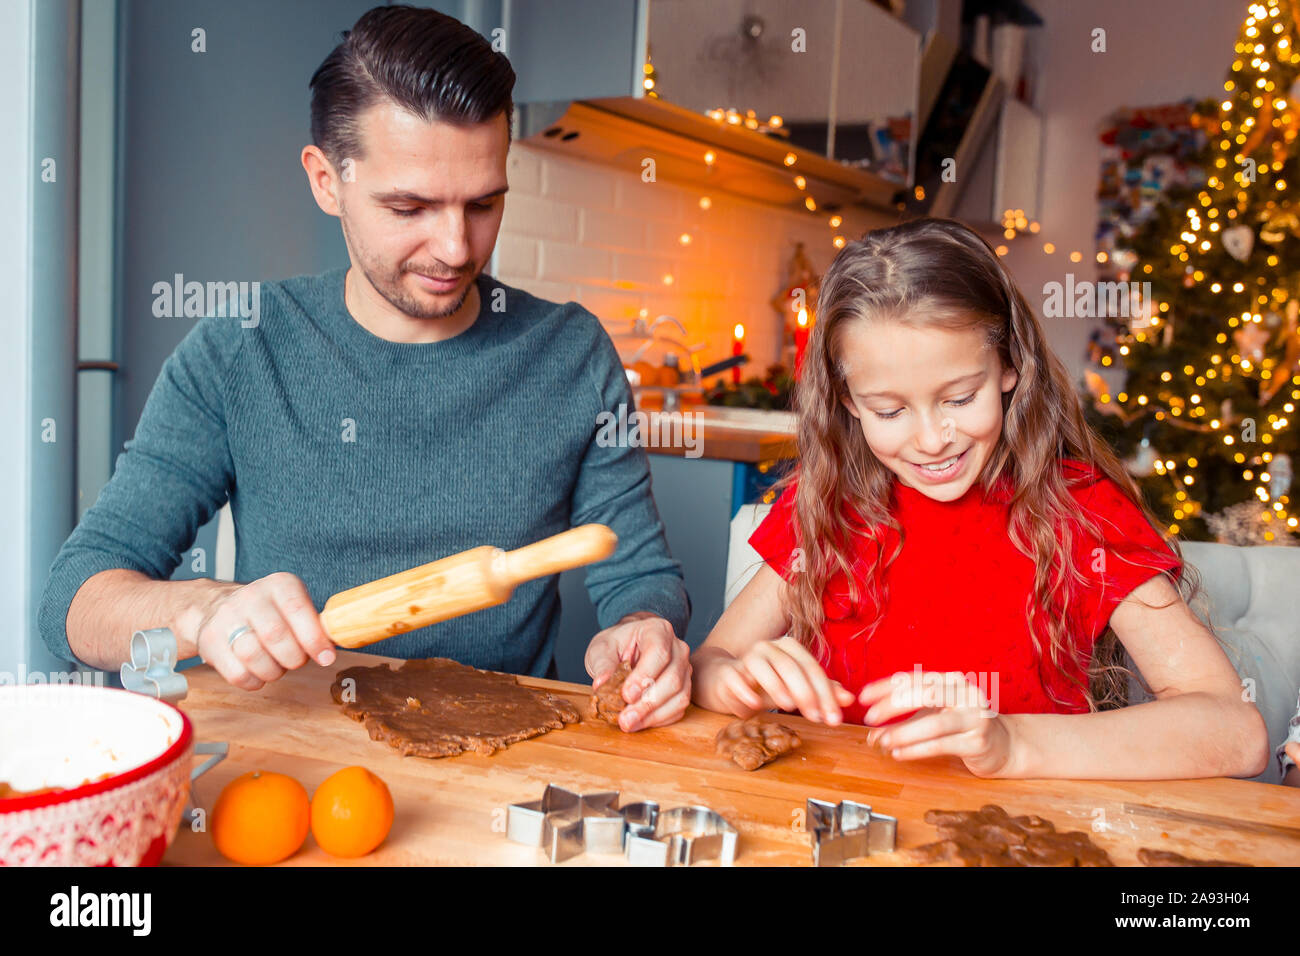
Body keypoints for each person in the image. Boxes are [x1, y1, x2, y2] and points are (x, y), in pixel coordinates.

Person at [37, 5, 691, 732]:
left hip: (508, 760)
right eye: (409, 206)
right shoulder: (241, 351)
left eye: (483, 203)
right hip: (303, 757)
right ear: (326, 180)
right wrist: (206, 610)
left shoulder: (570, 353)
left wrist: (644, 629)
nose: (454, 246)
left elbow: (640, 575)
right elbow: (74, 601)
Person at [691, 217, 1270, 779]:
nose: (930, 439)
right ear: (847, 400)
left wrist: (1012, 744)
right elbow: (709, 666)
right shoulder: (828, 503)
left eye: (960, 398)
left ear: (1008, 367)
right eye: (889, 411)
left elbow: (1234, 731)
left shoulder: (1081, 513)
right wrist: (734, 682)